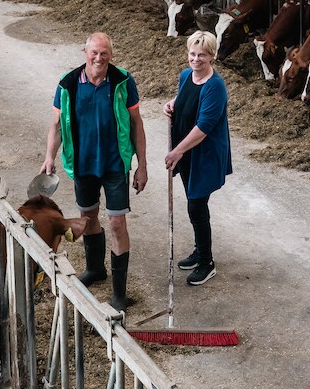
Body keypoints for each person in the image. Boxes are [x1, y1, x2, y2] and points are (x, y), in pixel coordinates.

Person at [41, 32, 148, 309]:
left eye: (104, 53)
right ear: (85, 52)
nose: (99, 58)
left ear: (111, 54)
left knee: (116, 222)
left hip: (114, 164)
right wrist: (49, 157)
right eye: (94, 53)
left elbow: (136, 123)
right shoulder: (68, 84)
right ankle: (95, 269)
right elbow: (56, 124)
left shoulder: (123, 81)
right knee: (87, 217)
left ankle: (119, 292)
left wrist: (142, 165)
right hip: (83, 164)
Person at [162, 31, 232, 286]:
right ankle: (199, 250)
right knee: (194, 203)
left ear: (212, 56)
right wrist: (171, 104)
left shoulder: (215, 87)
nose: (196, 59)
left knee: (196, 205)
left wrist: (178, 150)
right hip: (187, 151)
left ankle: (206, 261)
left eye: (202, 55)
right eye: (192, 53)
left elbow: (203, 127)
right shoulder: (185, 76)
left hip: (204, 154)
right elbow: (184, 98)